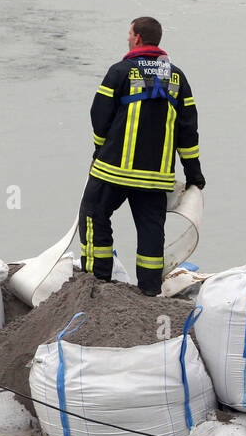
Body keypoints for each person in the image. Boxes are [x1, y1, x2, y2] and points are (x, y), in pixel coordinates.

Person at [81, 17, 205, 296]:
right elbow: (188, 131)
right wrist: (193, 172)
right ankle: (149, 290)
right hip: (155, 176)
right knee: (151, 230)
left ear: (137, 38)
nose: (127, 38)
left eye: (129, 34)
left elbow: (98, 115)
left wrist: (99, 149)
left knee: (93, 213)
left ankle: (97, 281)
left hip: (114, 170)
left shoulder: (120, 72)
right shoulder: (177, 77)